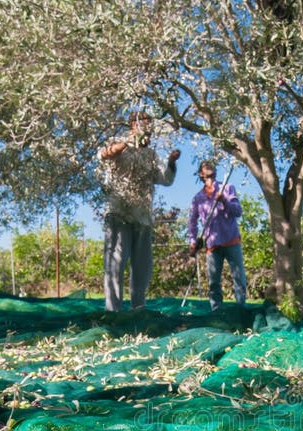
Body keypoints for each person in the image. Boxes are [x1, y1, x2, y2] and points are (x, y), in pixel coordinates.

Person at [98, 111, 180, 311]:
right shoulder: (118, 143)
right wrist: (127, 142)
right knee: (115, 266)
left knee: (142, 269)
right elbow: (105, 155)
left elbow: (166, 179)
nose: (148, 132)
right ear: (133, 126)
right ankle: (113, 313)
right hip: (119, 214)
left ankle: (138, 310)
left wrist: (171, 162)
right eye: (144, 126)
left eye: (149, 128)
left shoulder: (151, 155)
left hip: (142, 218)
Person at [188, 161, 247, 311]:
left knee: (239, 278)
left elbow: (237, 211)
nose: (210, 168)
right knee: (213, 282)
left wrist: (224, 201)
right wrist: (193, 242)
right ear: (201, 174)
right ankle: (216, 311)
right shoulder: (197, 198)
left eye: (212, 166)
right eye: (206, 166)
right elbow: (192, 222)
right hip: (212, 244)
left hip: (231, 240)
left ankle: (241, 309)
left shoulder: (227, 188)